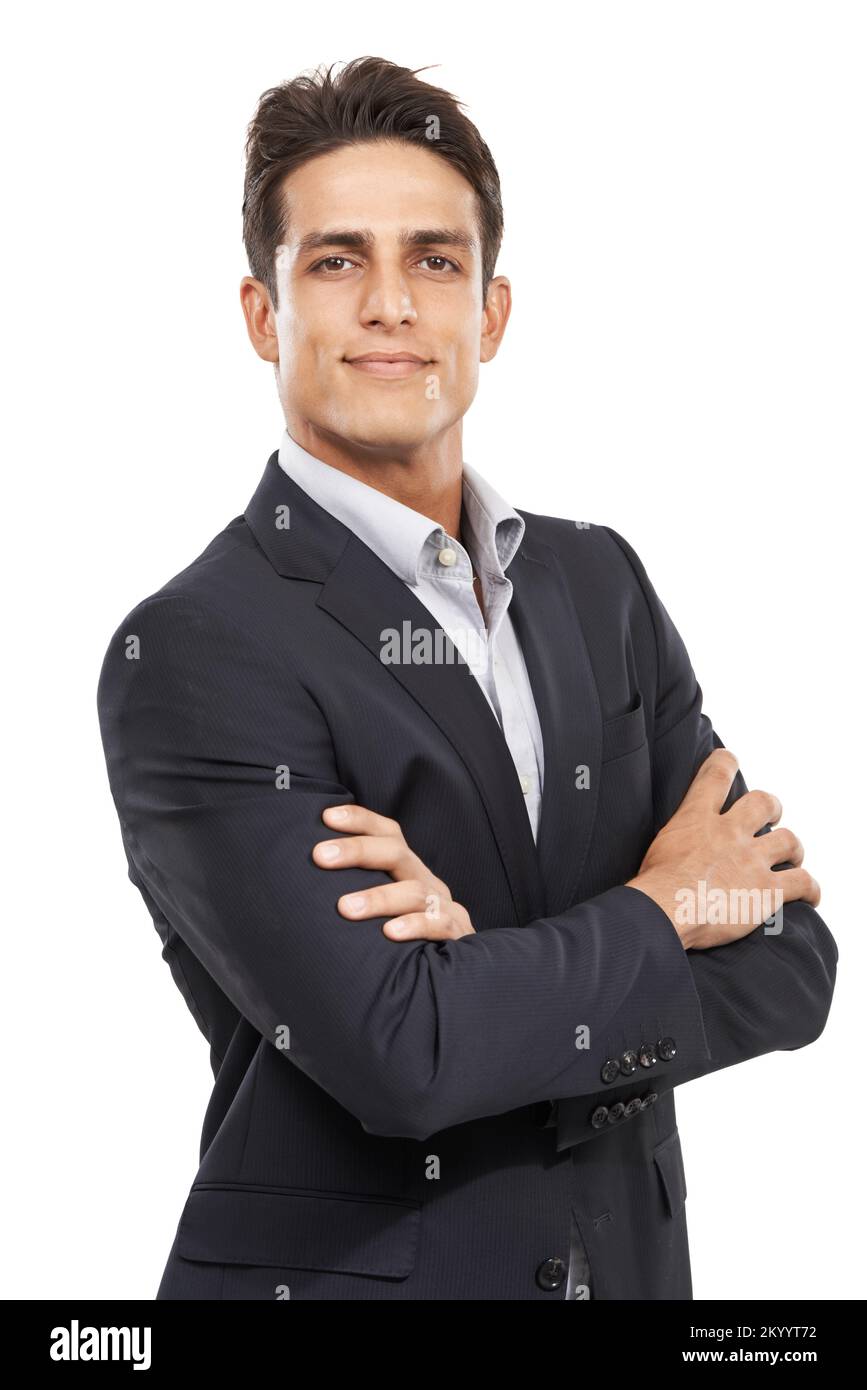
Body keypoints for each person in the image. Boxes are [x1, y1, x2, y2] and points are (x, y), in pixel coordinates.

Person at [96, 55, 838, 1301]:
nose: (391, 304)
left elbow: (790, 956)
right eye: (337, 261)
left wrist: (481, 977)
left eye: (434, 260)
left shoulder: (601, 586)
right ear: (263, 315)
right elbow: (404, 1052)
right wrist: (660, 911)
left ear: (490, 314)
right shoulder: (194, 650)